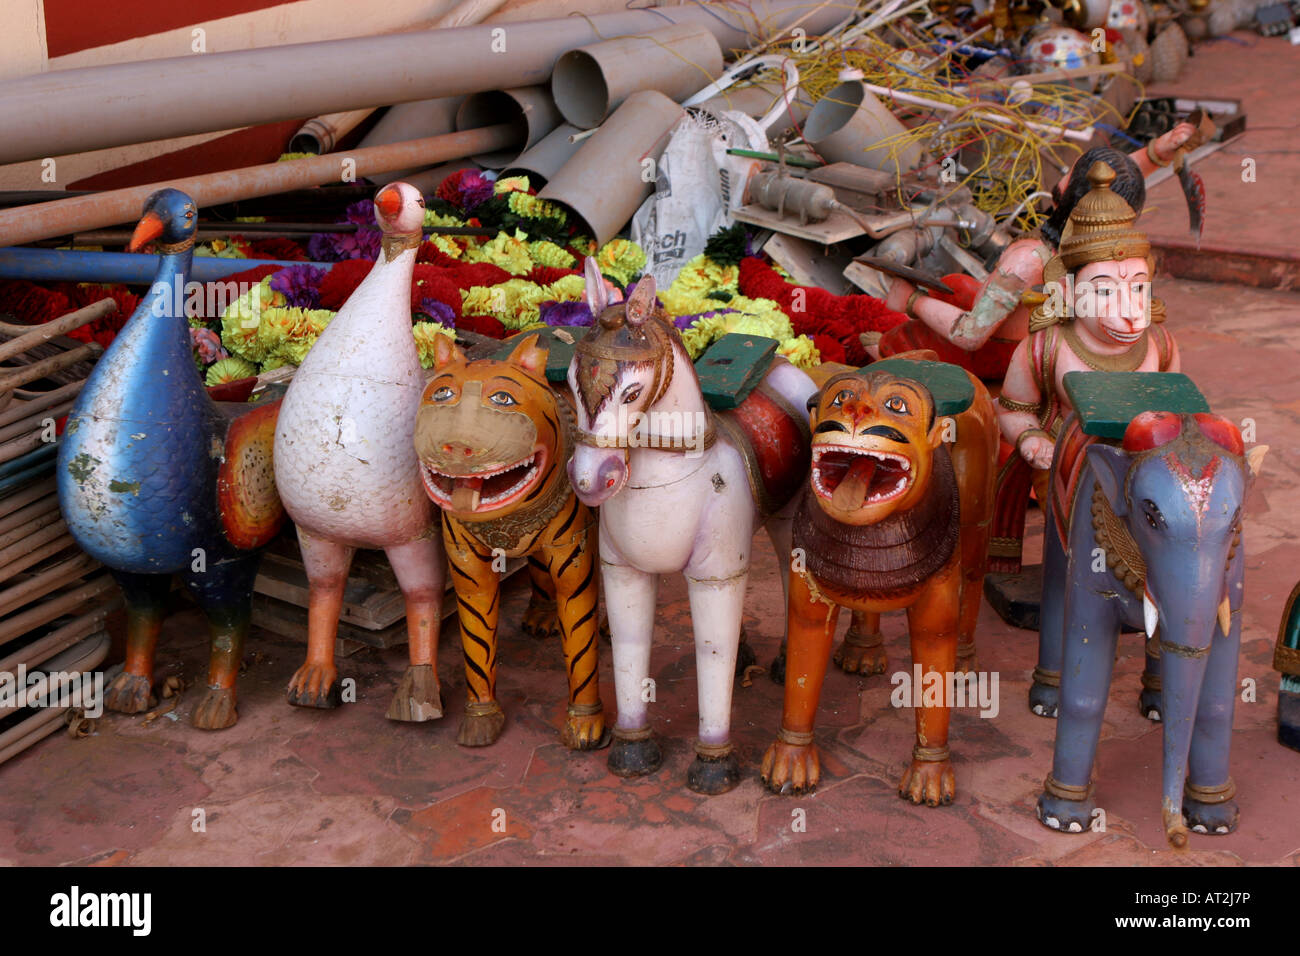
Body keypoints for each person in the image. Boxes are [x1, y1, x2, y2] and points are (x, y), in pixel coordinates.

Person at [871, 122, 1198, 379]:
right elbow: (1109, 183)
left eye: (1074, 170)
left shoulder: (1030, 259)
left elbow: (971, 335)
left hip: (1006, 356)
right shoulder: (1109, 257)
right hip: (1058, 345)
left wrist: (912, 300)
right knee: (957, 286)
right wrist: (1158, 153)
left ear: (1073, 190)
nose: (1065, 171)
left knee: (896, 342)